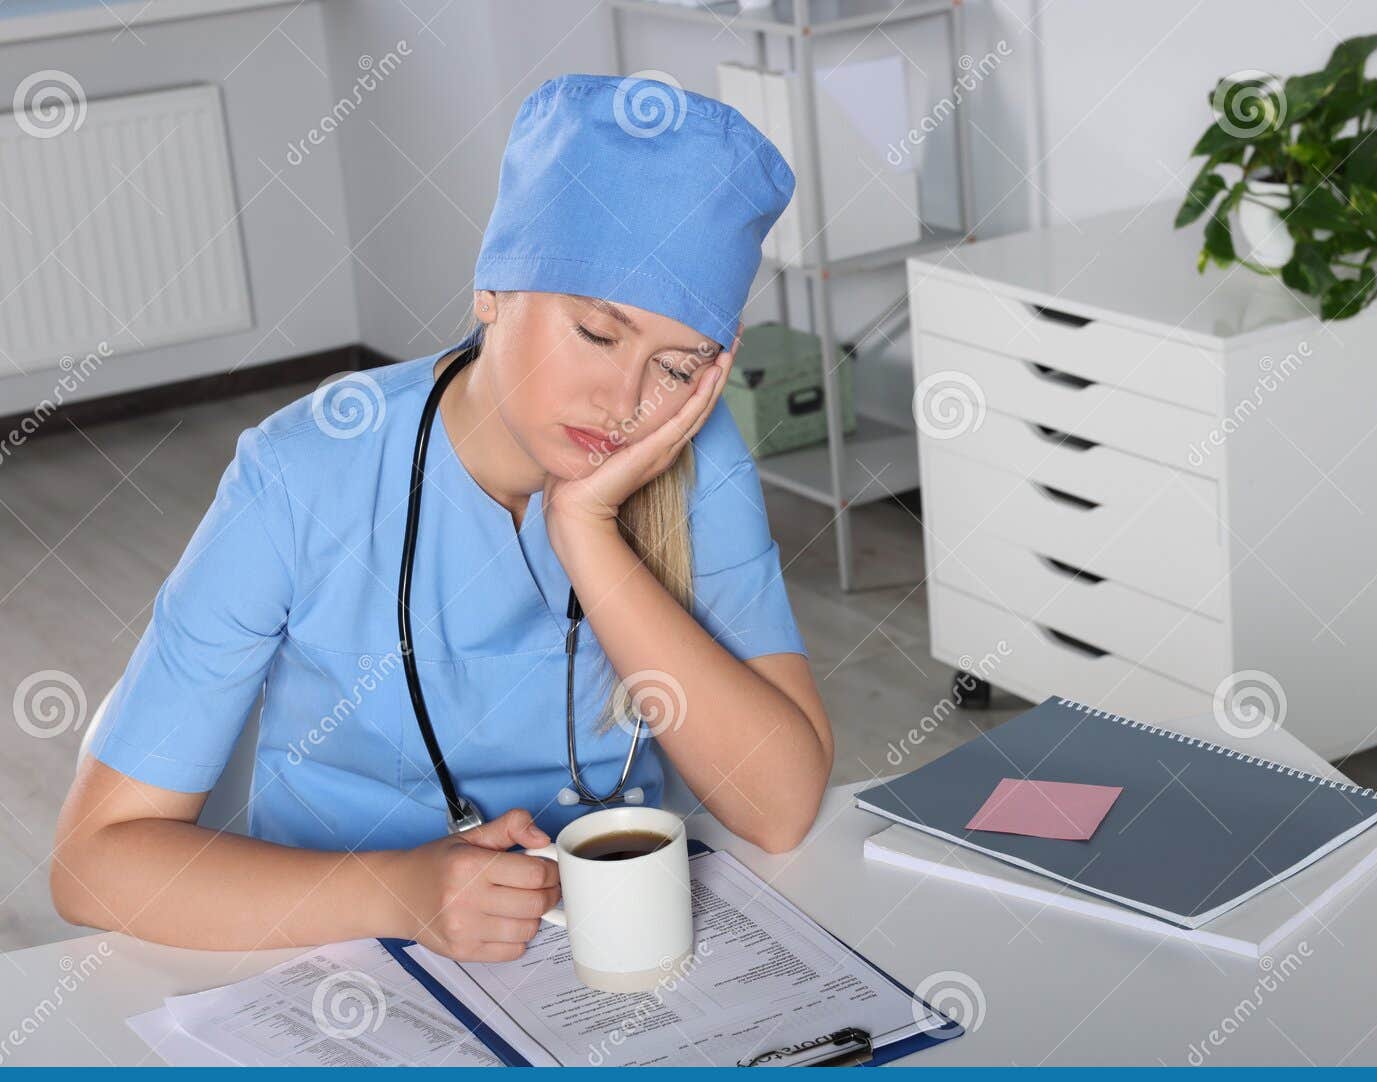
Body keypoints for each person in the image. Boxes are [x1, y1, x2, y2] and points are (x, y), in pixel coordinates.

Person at [52, 74, 832, 963]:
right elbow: (92, 865)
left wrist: (586, 532)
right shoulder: (307, 470)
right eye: (598, 335)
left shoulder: (693, 454)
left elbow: (780, 807)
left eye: (678, 367)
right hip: (332, 944)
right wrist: (401, 892)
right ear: (494, 288)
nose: (626, 402)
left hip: (599, 949)